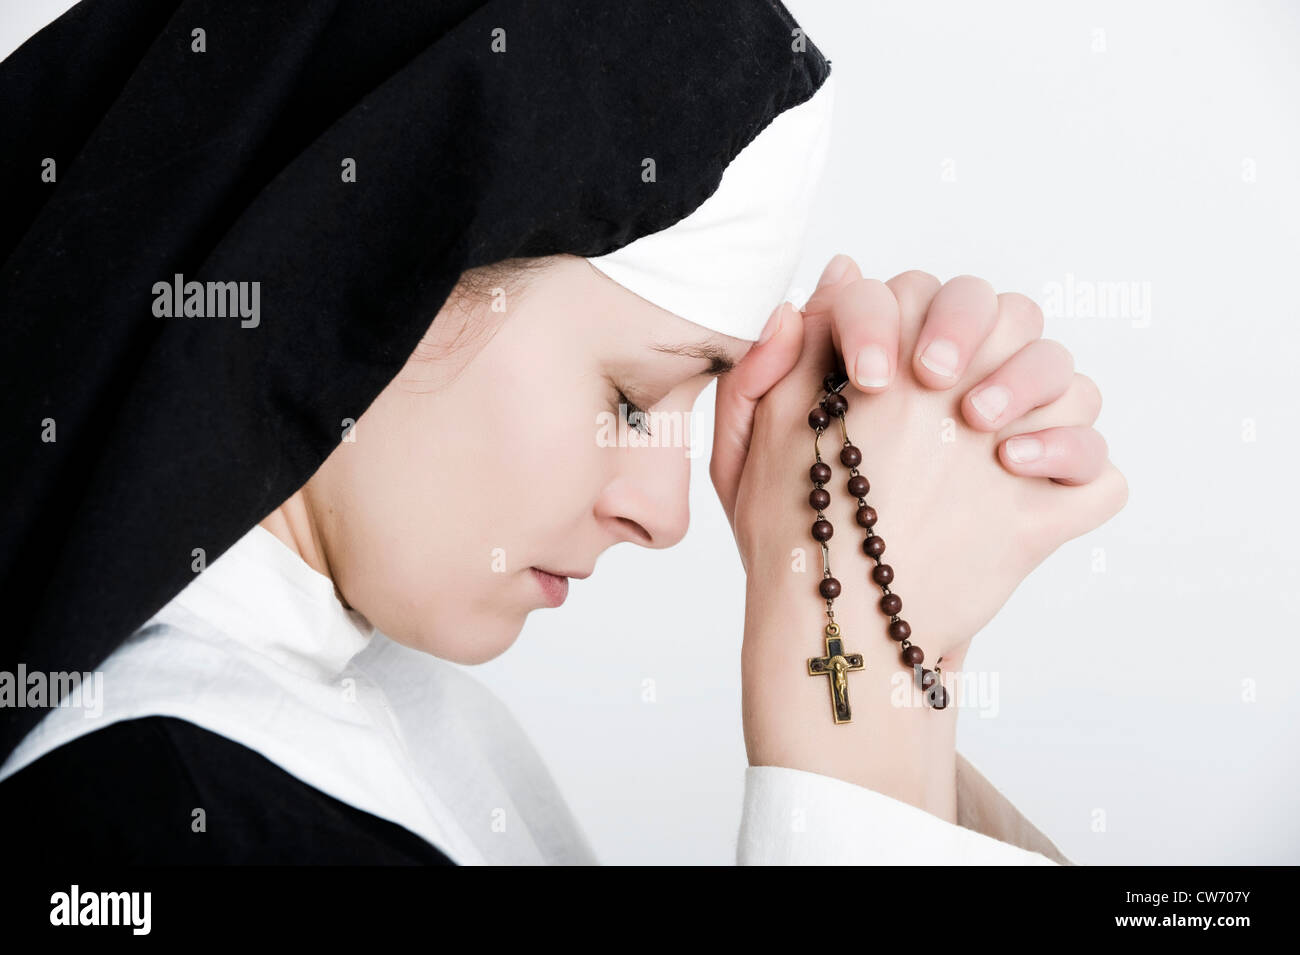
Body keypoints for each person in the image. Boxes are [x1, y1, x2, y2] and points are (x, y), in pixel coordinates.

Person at [0, 0, 1125, 864]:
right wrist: (850, 670)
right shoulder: (145, 814)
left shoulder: (367, 716)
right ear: (372, 271)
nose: (668, 512)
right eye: (634, 398)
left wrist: (903, 672)